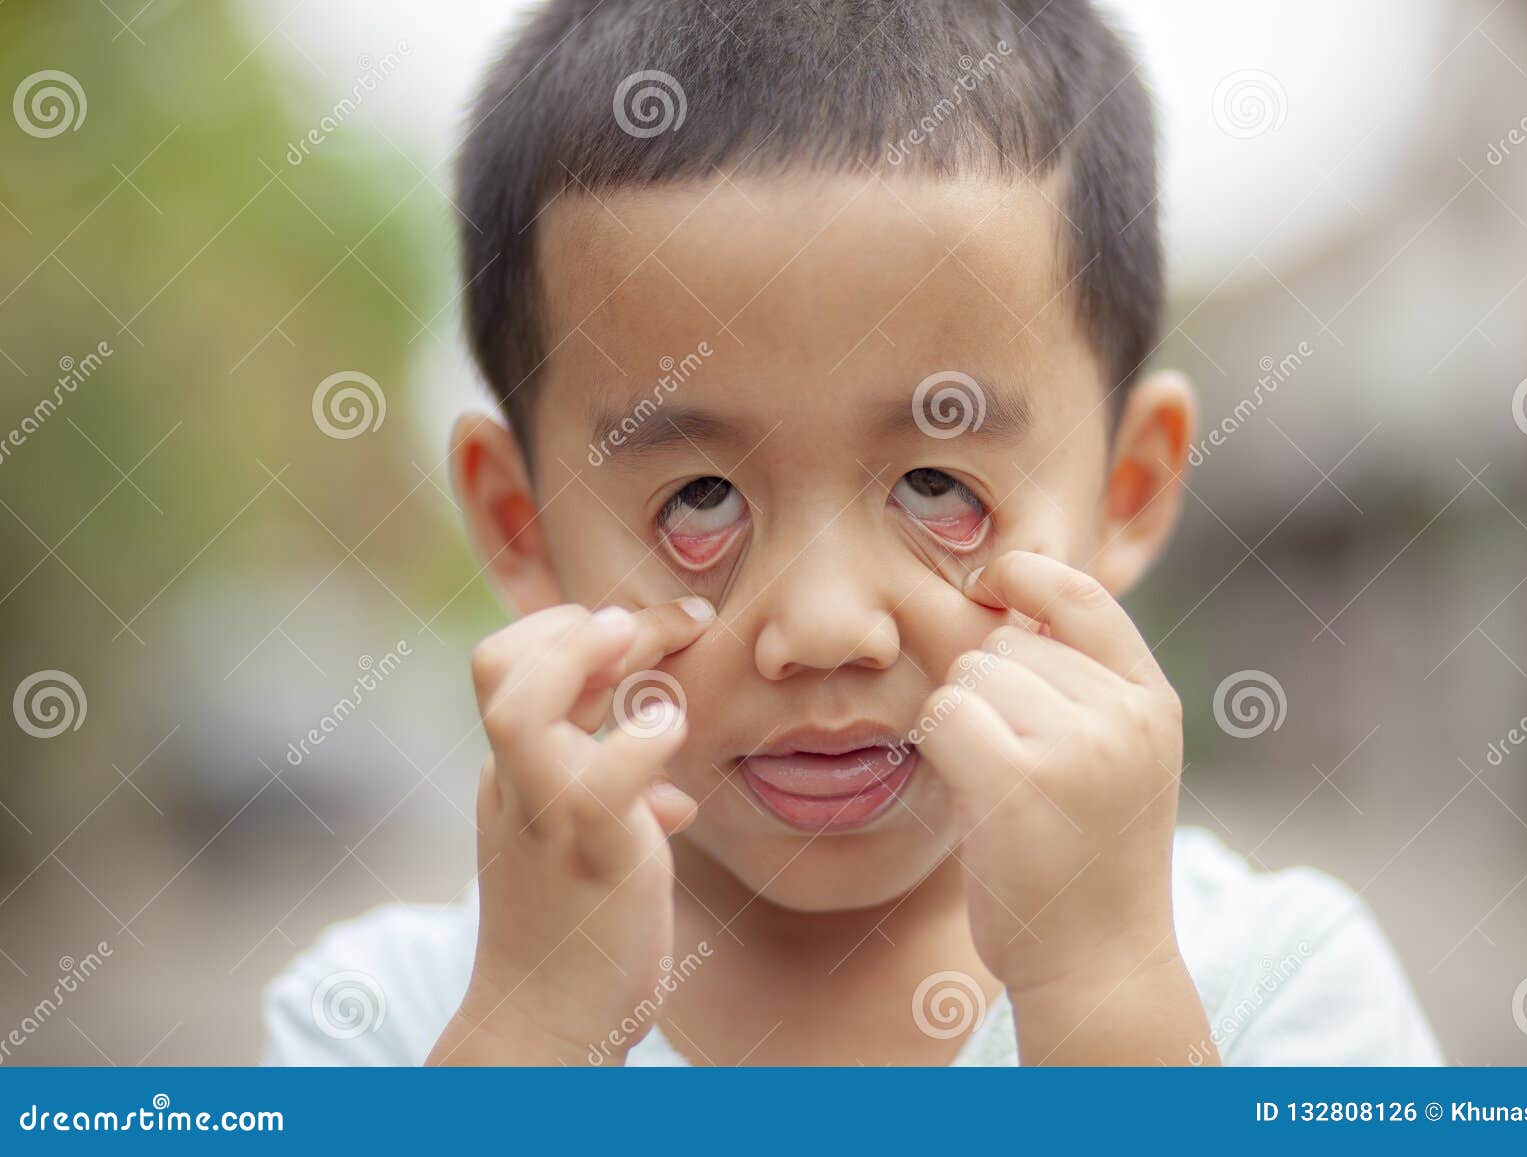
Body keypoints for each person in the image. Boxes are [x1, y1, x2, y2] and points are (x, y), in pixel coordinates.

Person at [262, 0, 1440, 1066]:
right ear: (519, 525)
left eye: (936, 484)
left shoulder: (1278, 986)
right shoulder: (387, 1018)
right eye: (699, 499)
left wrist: (1103, 989)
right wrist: (534, 1030)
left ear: (1125, 489)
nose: (824, 625)